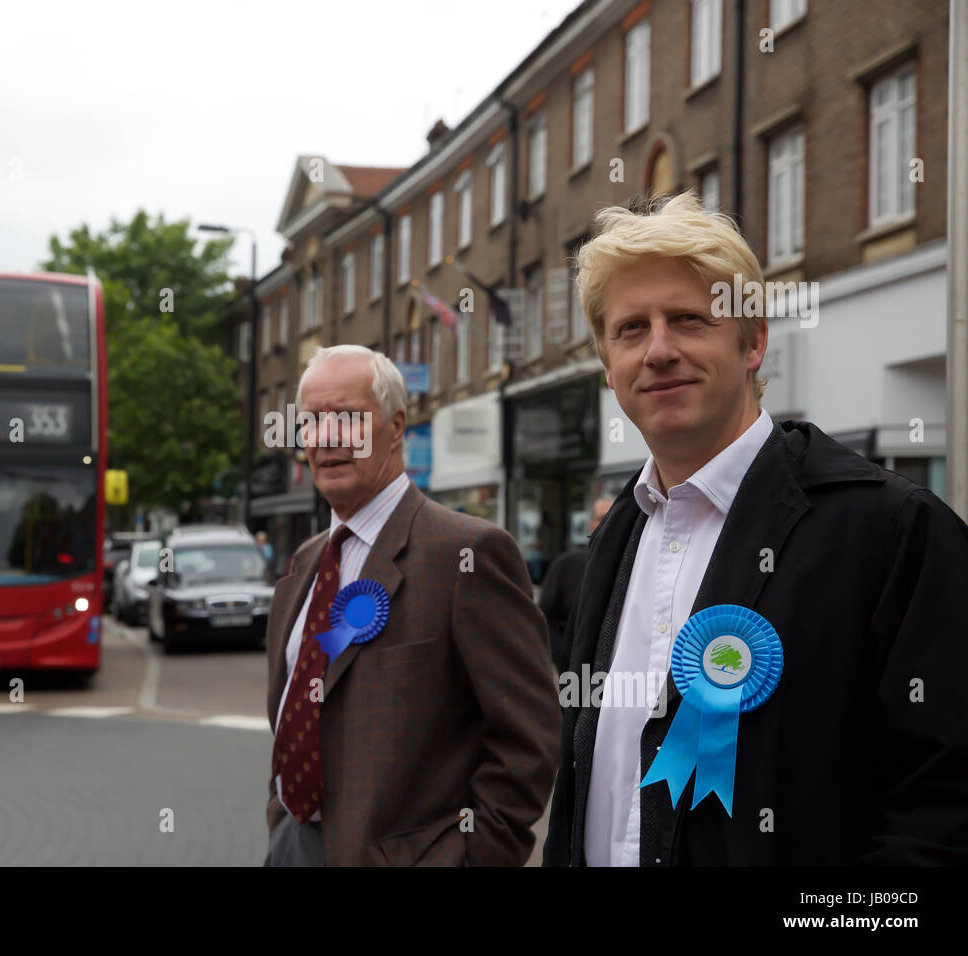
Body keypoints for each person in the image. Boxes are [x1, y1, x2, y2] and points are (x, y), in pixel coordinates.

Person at [543, 191, 968, 867]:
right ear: (607, 364)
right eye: (631, 329)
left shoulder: (892, 531)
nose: (658, 351)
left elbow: (944, 813)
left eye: (688, 320)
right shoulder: (616, 535)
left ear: (754, 341)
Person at [264, 345, 560, 866]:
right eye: (311, 422)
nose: (327, 438)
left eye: (347, 419)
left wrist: (468, 857)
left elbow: (528, 739)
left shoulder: (467, 553)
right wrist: (282, 819)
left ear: (396, 427)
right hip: (294, 843)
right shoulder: (304, 565)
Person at [537, 497, 613, 673]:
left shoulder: (636, 564)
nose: (611, 522)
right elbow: (546, 617)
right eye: (602, 518)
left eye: (615, 515)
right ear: (591, 524)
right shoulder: (567, 565)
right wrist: (564, 657)